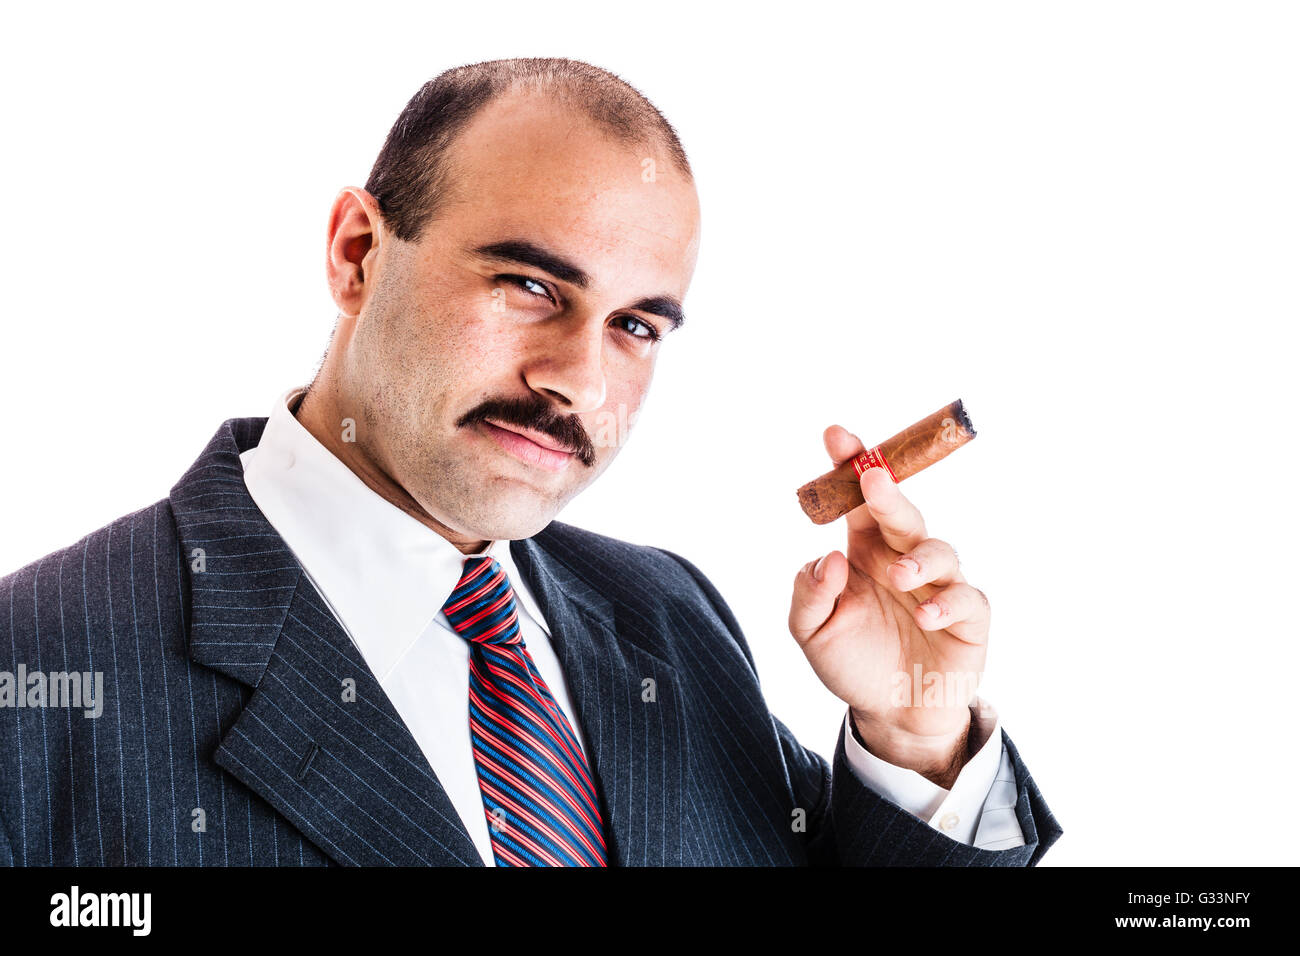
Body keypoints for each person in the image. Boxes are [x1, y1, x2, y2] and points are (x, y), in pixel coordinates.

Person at [0, 57, 1061, 866]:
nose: (579, 381)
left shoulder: (665, 614)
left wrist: (916, 735)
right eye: (530, 286)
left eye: (636, 326)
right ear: (357, 253)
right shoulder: (37, 669)